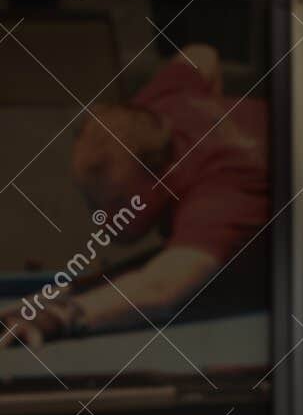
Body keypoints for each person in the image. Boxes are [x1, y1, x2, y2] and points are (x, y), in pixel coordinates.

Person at [0, 45, 268, 347]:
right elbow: (201, 55)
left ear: (161, 174)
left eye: (118, 203)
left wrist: (59, 316)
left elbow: (161, 286)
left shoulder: (220, 191)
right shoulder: (152, 111)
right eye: (92, 203)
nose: (104, 223)